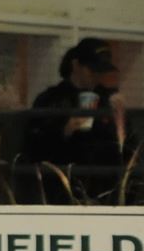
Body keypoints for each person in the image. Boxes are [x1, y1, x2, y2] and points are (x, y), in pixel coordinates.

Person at [23, 37, 131, 202]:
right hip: (62, 187)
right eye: (92, 70)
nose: (96, 76)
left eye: (101, 72)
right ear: (76, 65)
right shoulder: (52, 99)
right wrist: (64, 130)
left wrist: (120, 121)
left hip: (102, 188)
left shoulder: (108, 99)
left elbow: (125, 148)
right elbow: (33, 146)